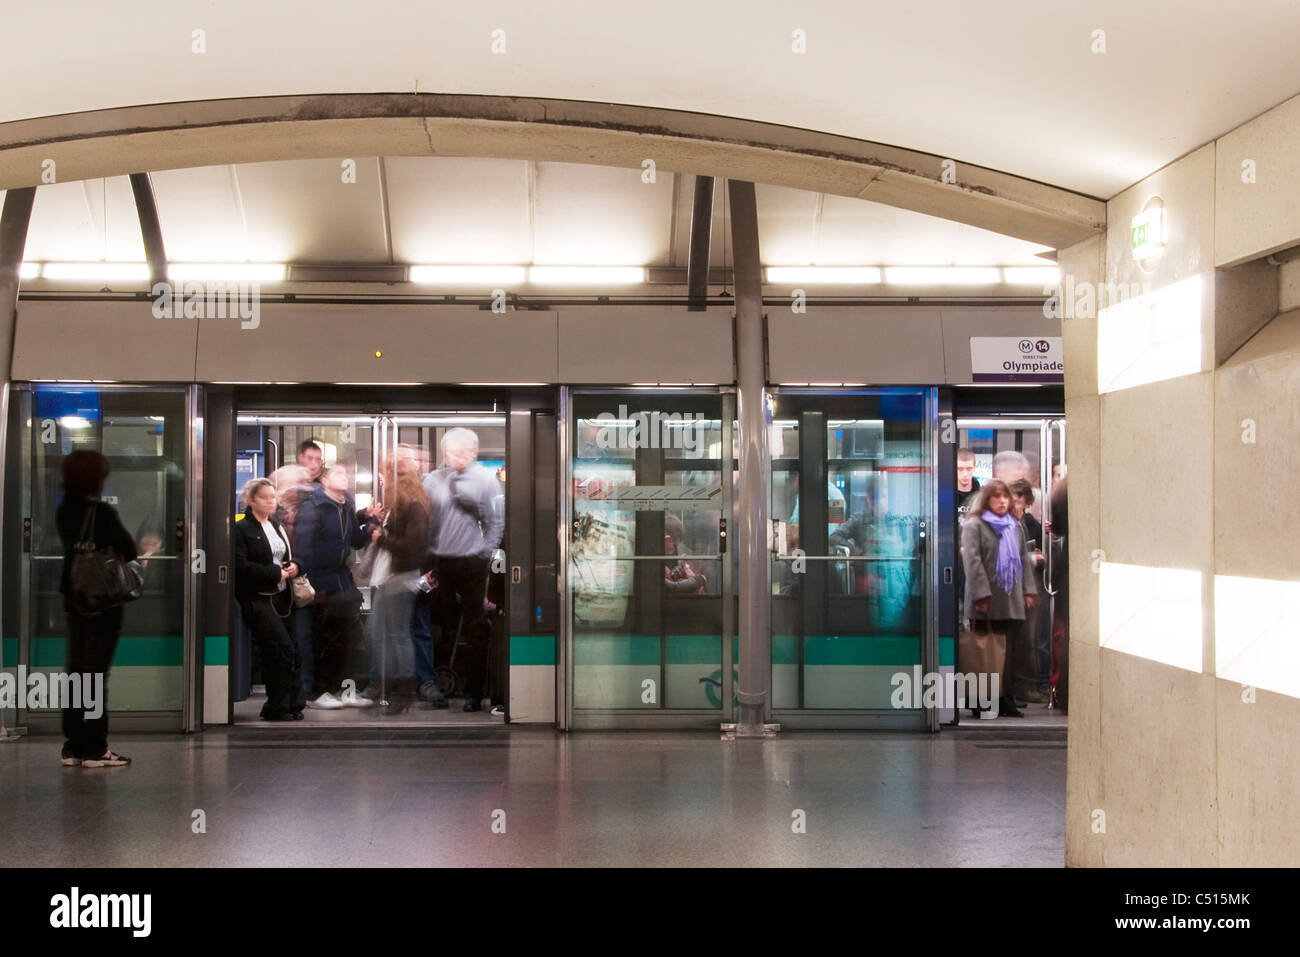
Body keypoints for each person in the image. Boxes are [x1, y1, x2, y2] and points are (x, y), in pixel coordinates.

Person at [57, 450, 138, 767]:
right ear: (95, 478)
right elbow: (128, 548)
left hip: (74, 597)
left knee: (76, 671)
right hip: (102, 601)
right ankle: (96, 747)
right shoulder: (100, 512)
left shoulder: (64, 510)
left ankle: (73, 745)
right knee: (95, 674)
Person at [423, 428, 504, 712]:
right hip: (441, 562)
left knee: (474, 628)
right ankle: (437, 685)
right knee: (440, 626)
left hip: (471, 563)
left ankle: (473, 693)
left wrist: (483, 553)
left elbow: (496, 521)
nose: (455, 458)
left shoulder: (485, 480)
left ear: (472, 452)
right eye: (450, 453)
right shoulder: (434, 480)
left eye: (460, 452)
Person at [296, 461, 379, 709]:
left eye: (347, 473)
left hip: (342, 582)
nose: (346, 477)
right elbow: (306, 550)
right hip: (323, 582)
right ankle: (319, 691)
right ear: (324, 479)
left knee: (349, 639)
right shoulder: (314, 508)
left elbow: (354, 539)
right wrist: (317, 583)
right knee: (325, 639)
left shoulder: (346, 506)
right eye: (339, 474)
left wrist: (370, 527)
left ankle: (344, 689)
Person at [960, 479, 1038, 718]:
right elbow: (972, 562)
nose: (1003, 502)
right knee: (984, 651)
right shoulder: (974, 525)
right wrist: (981, 594)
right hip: (986, 600)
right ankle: (982, 700)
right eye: (998, 498)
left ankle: (1005, 698)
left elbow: (1024, 559)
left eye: (1006, 497)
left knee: (1009, 653)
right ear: (987, 500)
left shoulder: (1014, 526)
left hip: (1011, 599)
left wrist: (1028, 589)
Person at [233, 477, 306, 722]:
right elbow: (240, 566)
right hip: (257, 598)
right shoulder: (242, 529)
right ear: (251, 500)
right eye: (265, 497)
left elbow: (289, 555)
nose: (271, 501)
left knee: (289, 649)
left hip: (282, 597)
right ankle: (278, 706)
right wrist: (275, 573)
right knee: (281, 648)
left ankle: (291, 704)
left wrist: (296, 567)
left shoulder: (276, 525)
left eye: (273, 497)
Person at [365, 451, 431, 714]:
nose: (381, 481)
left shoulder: (413, 505)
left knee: (396, 635)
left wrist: (381, 538)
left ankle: (402, 690)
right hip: (390, 576)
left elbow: (413, 547)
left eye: (383, 476)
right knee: (381, 633)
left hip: (400, 577)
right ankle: (392, 685)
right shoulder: (400, 504)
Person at [1009, 479, 1047, 705]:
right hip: (1013, 586)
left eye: (1021, 502)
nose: (1016, 506)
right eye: (1014, 500)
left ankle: (1027, 685)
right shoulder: (1005, 523)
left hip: (1029, 583)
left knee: (1029, 639)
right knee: (1018, 639)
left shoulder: (1031, 525)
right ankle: (1017, 686)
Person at [1049, 477, 1069, 712]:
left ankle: (1063, 693)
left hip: (1066, 570)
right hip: (1077, 572)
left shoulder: (1063, 489)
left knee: (1065, 639)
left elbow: (1057, 526)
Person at [663, 513, 707, 594]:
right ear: (667, 539)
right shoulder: (656, 559)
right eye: (674, 544)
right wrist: (700, 579)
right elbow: (670, 586)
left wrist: (680, 567)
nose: (675, 548)